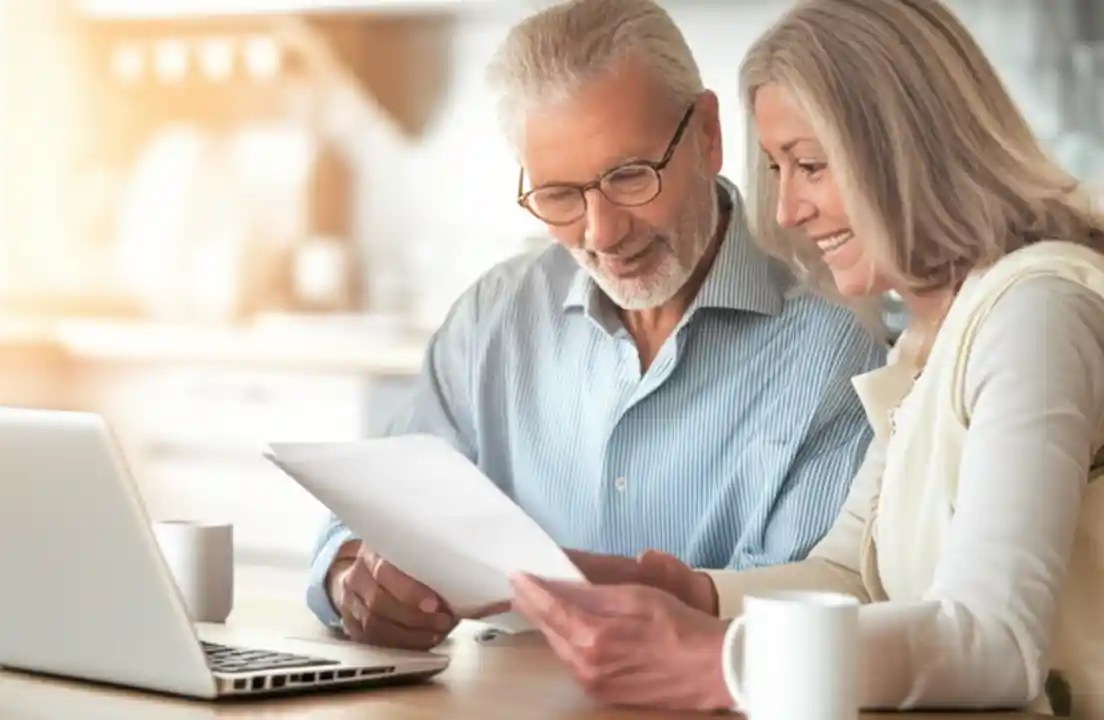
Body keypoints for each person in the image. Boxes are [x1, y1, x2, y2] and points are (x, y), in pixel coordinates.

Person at [509, 0, 1104, 715]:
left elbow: (995, 641)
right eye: (775, 168)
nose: (787, 209)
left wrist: (720, 662)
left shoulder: (1037, 308)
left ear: (906, 145)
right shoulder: (936, 333)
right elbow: (850, 574)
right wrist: (678, 592)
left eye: (810, 166)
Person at [304, 0, 887, 651]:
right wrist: (353, 576)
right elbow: (364, 517)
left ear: (708, 136)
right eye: (559, 195)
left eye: (631, 176)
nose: (603, 232)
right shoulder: (492, 320)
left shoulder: (837, 352)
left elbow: (803, 620)